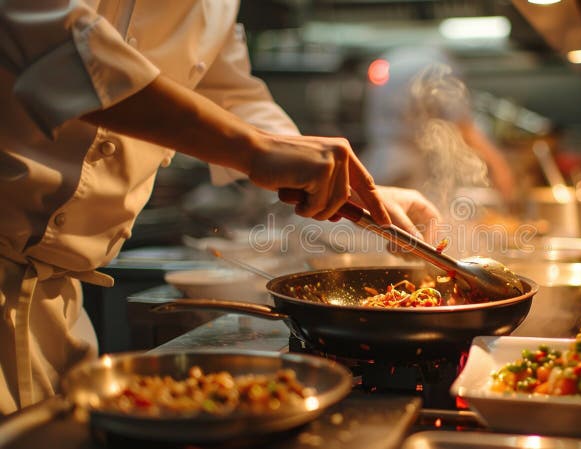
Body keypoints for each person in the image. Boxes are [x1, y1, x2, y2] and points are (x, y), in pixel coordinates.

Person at [0, 1, 440, 414]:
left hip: (54, 313)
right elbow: (54, 42)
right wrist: (255, 149)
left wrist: (350, 188)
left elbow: (231, 95)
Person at [361, 46, 516, 211]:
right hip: (408, 168)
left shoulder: (394, 60)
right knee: (407, 218)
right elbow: (464, 127)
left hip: (378, 160)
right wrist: (500, 167)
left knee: (377, 217)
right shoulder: (442, 69)